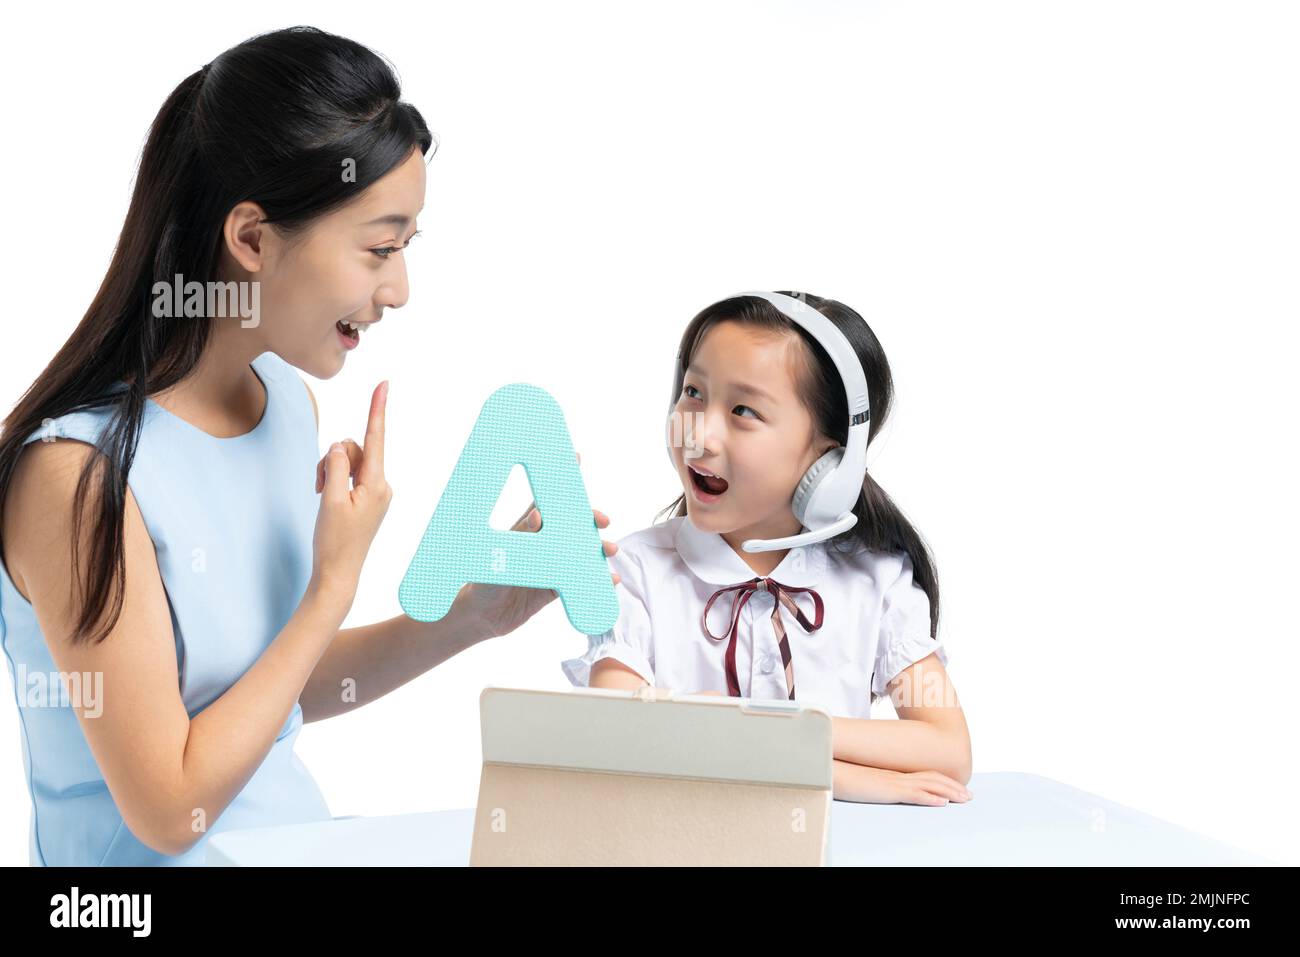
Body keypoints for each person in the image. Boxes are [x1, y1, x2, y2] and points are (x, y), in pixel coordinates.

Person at [0, 25, 618, 866]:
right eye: (379, 247)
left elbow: (270, 694)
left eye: (406, 247)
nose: (399, 289)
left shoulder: (282, 403)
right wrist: (333, 582)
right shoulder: (74, 481)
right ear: (251, 238)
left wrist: (470, 617)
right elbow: (170, 806)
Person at [562, 291, 972, 806]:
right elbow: (621, 734)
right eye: (693, 392)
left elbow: (947, 748)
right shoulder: (634, 571)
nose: (700, 435)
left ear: (828, 462)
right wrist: (832, 773)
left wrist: (763, 737)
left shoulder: (877, 581)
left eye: (742, 410)